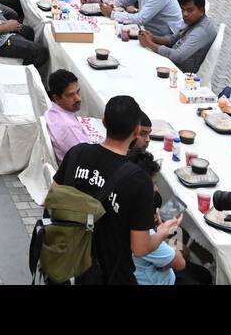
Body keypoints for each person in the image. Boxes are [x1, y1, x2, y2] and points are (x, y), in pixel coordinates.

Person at [52, 96, 181, 285]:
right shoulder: (139, 180)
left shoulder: (78, 152)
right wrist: (162, 232)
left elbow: (53, 198)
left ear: (104, 122)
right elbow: (140, 247)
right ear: (137, 130)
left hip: (67, 260)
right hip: (109, 272)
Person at [128, 150, 213, 286]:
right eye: (153, 182)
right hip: (160, 278)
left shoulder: (119, 210)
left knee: (202, 273)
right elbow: (180, 263)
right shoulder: (143, 235)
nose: (155, 188)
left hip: (143, 269)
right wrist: (166, 234)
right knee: (200, 274)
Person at [138, 0, 216, 74]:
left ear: (201, 11)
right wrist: (152, 38)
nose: (185, 14)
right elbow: (172, 39)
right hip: (170, 62)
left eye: (190, 10)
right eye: (183, 9)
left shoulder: (201, 31)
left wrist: (149, 43)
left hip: (180, 72)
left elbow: (177, 56)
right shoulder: (192, 20)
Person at [45, 70, 101, 163]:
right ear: (56, 98)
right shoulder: (69, 127)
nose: (78, 99)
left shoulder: (51, 112)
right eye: (70, 95)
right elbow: (87, 159)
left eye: (78, 92)